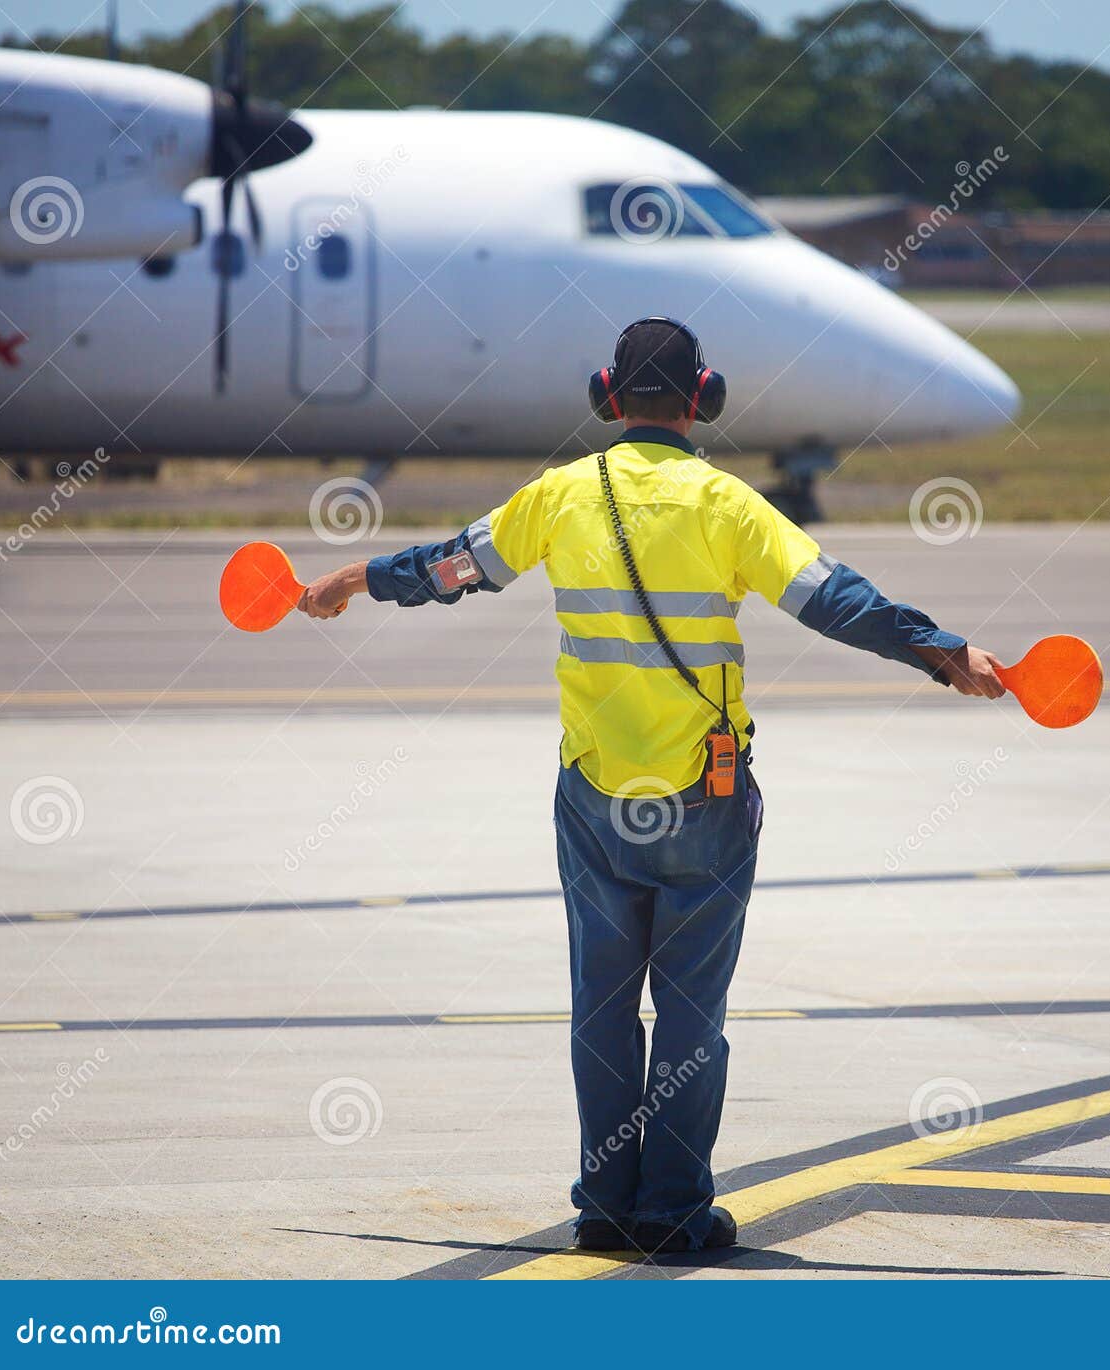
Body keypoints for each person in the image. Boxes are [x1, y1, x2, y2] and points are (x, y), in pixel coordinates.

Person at [298, 316, 1005, 1254]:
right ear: (702, 401)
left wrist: (356, 577)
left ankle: (604, 1209)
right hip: (703, 801)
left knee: (602, 1006)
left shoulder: (559, 497)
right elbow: (839, 602)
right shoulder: (727, 506)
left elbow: (451, 568)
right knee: (689, 1014)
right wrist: (943, 652)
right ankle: (672, 1211)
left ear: (609, 396)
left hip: (594, 795)